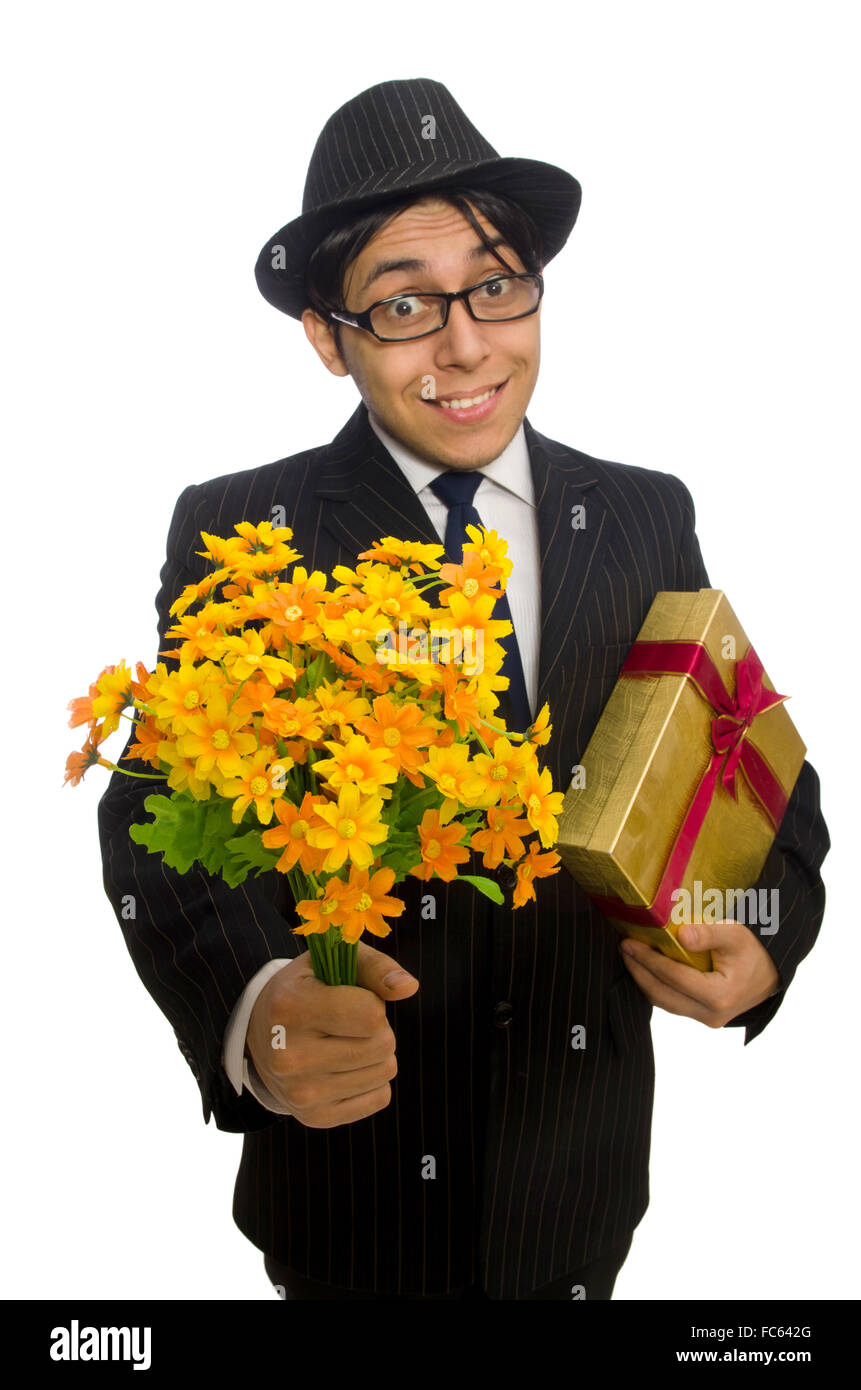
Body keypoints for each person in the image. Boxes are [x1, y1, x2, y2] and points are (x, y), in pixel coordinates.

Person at [97, 78, 829, 1301]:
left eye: (495, 284)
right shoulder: (239, 527)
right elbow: (157, 820)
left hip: (580, 1189)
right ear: (327, 336)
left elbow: (747, 770)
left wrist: (763, 937)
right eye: (402, 304)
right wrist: (258, 1008)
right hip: (349, 1198)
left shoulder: (648, 513)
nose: (468, 343)